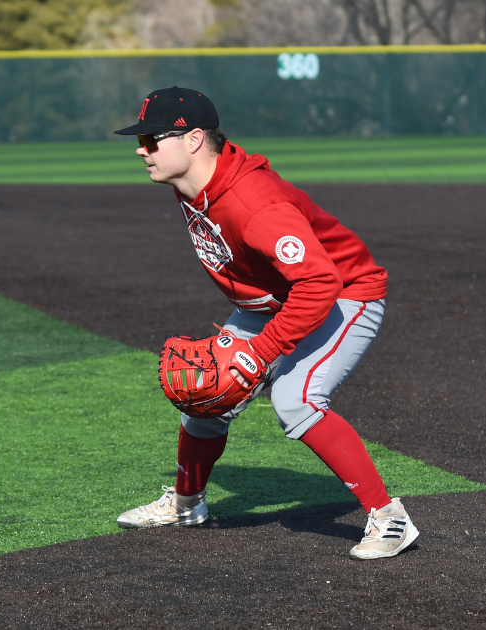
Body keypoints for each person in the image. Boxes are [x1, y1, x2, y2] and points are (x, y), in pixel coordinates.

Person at [112, 86, 418, 560]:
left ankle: (389, 517)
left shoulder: (254, 204)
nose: (141, 149)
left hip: (342, 293)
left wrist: (261, 350)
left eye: (152, 140)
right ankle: (187, 504)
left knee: (296, 400)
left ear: (192, 140)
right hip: (275, 299)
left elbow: (318, 281)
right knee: (205, 388)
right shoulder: (192, 182)